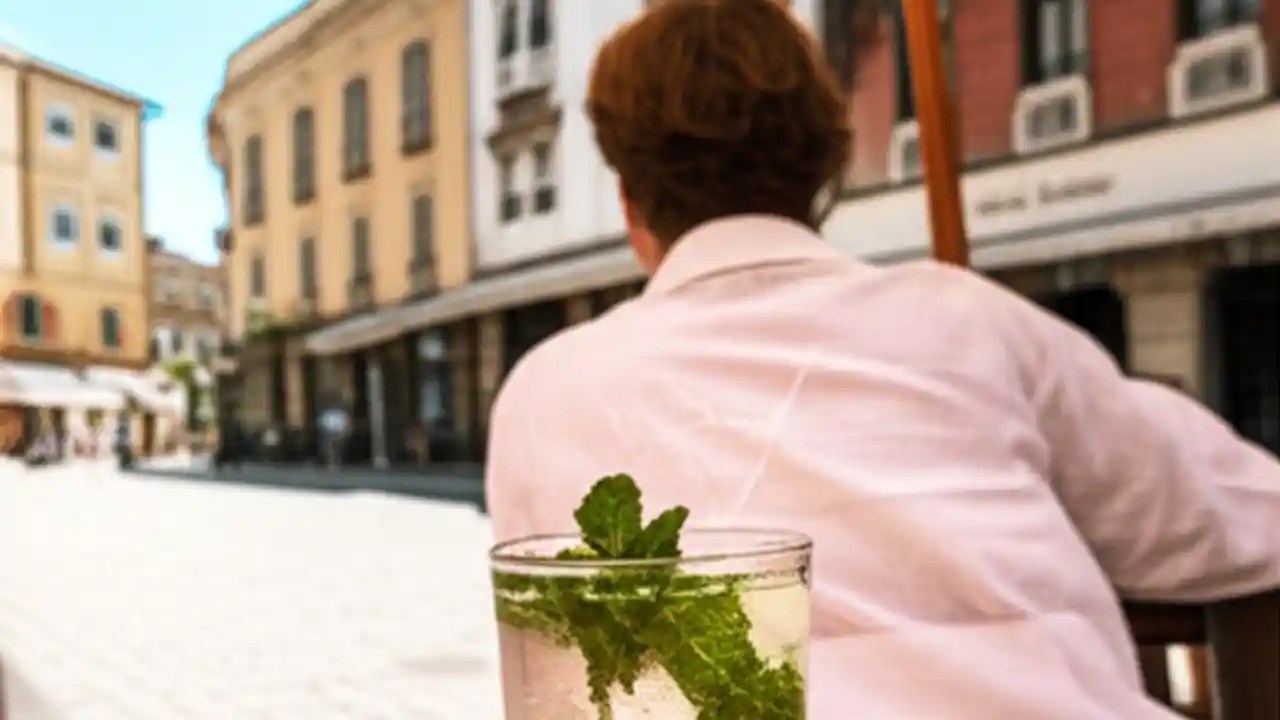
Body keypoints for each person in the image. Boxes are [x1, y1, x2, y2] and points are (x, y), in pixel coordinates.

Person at [484, 2, 1280, 717]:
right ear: (827, 172)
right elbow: (1248, 513)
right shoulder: (965, 320)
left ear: (629, 204)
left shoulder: (545, 392)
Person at [319, 403, 349, 471]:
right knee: (330, 450)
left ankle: (337, 463)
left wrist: (342, 432)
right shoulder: (328, 413)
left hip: (338, 432)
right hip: (330, 433)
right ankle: (331, 463)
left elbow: (345, 422)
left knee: (338, 449)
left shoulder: (340, 413)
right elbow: (324, 422)